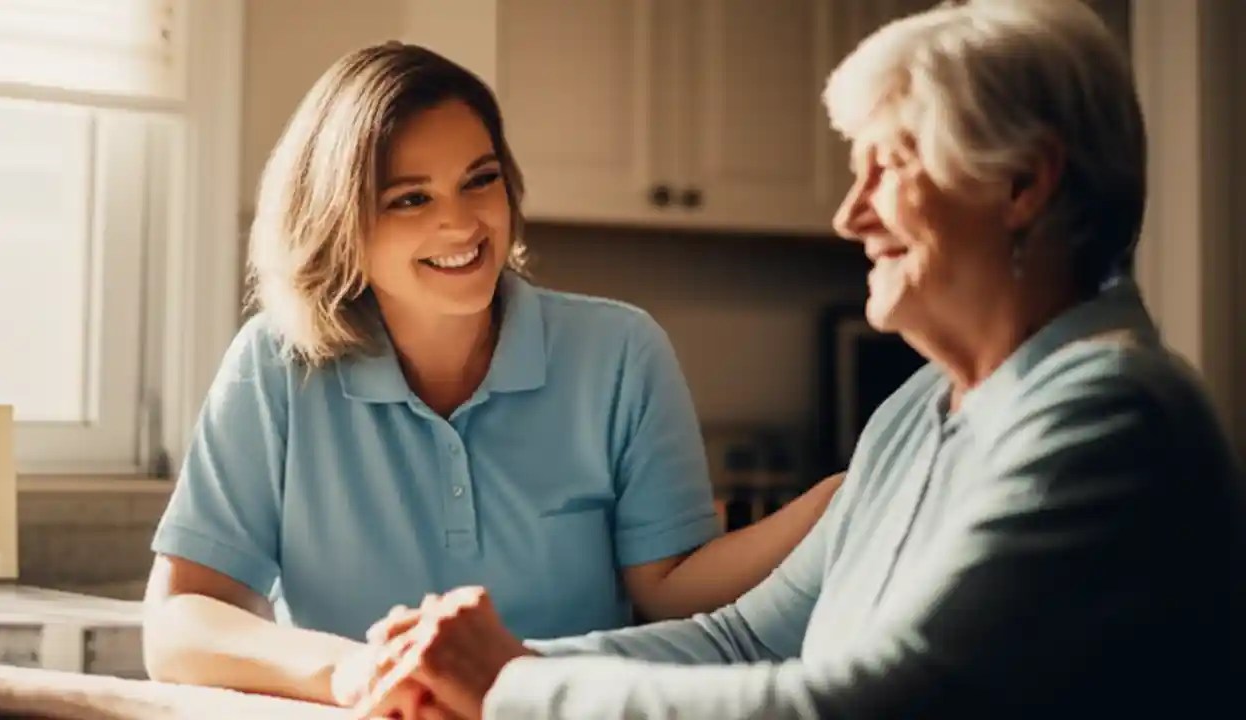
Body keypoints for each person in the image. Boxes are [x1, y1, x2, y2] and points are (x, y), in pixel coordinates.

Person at [351, 1, 1246, 718]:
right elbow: (743, 639)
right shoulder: (920, 412)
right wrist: (475, 668)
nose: (848, 216)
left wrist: (508, 687)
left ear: (1022, 184)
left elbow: (870, 705)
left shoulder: (1110, 419)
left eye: (888, 167)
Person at [140, 41, 844, 708]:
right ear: (339, 221)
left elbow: (672, 590)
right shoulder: (276, 362)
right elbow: (180, 620)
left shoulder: (622, 350)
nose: (463, 223)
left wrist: (850, 489)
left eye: (481, 180)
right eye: (411, 198)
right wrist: (353, 670)